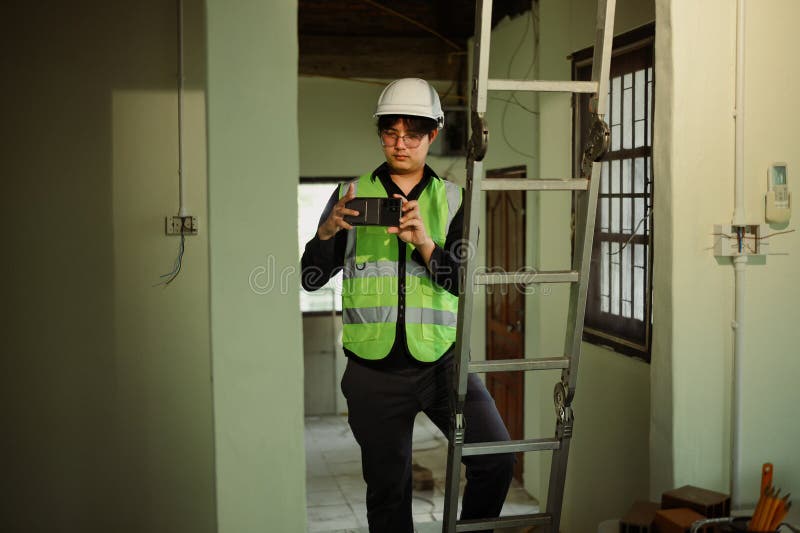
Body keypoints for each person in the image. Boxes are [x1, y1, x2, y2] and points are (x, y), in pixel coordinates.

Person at [301, 78, 513, 533]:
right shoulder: (349, 194)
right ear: (380, 133)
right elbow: (310, 276)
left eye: (412, 134)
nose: (400, 143)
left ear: (432, 135)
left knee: (494, 458)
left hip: (442, 363)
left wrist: (425, 244)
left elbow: (458, 283)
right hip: (372, 372)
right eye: (390, 132)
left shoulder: (454, 199)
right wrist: (326, 235)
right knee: (387, 494)